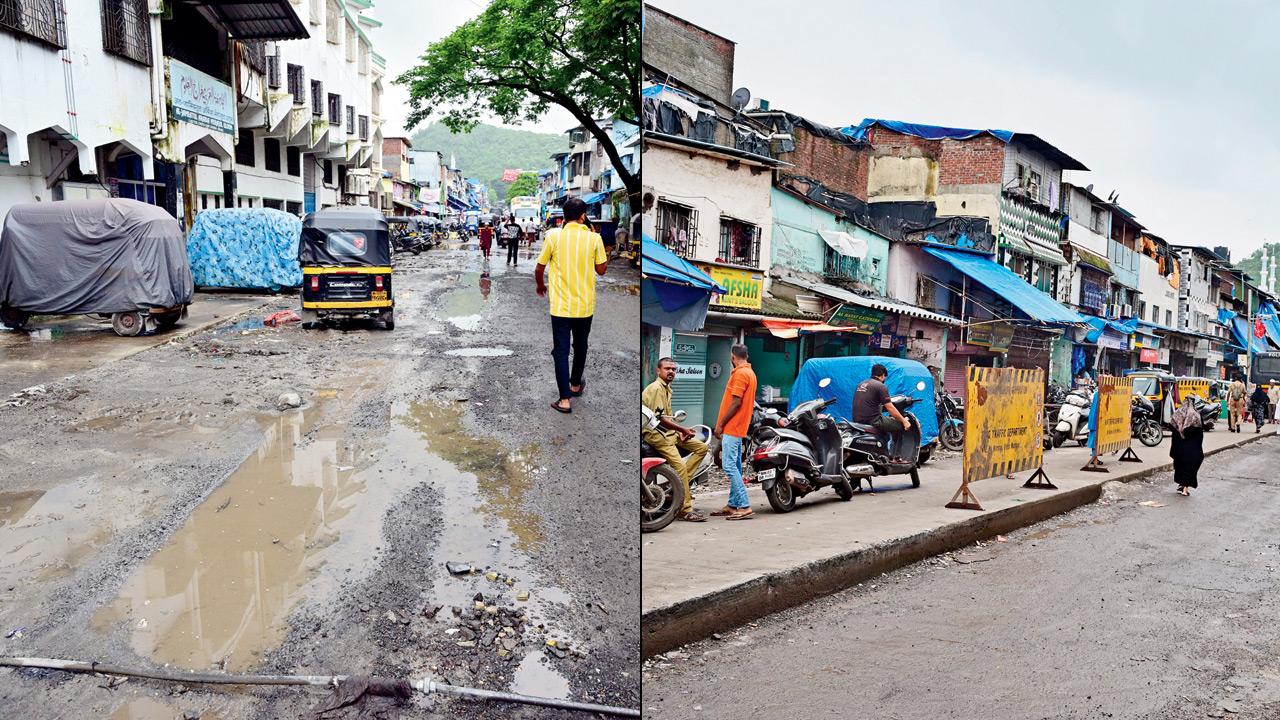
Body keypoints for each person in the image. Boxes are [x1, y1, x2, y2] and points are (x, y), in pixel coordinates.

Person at [536, 197, 607, 414]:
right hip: (584, 306)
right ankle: (575, 384)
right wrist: (592, 234)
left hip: (560, 307)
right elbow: (602, 270)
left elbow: (539, 268)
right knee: (581, 346)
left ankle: (565, 400)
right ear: (583, 216)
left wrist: (540, 286)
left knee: (561, 350)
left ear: (564, 217)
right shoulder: (594, 238)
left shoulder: (553, 236)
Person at [643, 357, 709, 522]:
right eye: (667, 369)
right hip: (656, 435)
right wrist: (681, 429)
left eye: (673, 369)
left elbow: (667, 417)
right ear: (658, 371)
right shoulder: (656, 388)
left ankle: (677, 485)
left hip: (667, 432)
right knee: (679, 467)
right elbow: (659, 419)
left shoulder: (666, 388)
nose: (671, 371)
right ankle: (685, 509)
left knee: (701, 448)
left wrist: (678, 432)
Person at [712, 345, 757, 521]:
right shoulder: (750, 373)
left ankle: (744, 505)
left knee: (729, 466)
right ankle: (732, 504)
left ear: (733, 357)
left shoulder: (740, 374)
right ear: (747, 355)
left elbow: (736, 402)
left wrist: (720, 424)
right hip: (739, 427)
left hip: (733, 427)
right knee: (736, 466)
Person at [852, 363, 912, 463]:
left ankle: (885, 451)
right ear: (883, 375)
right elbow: (890, 408)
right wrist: (904, 421)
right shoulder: (880, 386)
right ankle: (895, 458)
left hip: (857, 420)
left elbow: (870, 403)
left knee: (889, 422)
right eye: (885, 377)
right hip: (873, 420)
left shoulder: (861, 384)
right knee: (900, 425)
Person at [1170, 395, 1204, 496]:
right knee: (1190, 467)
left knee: (1180, 466)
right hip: (1191, 449)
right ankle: (1185, 489)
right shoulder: (1195, 415)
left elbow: (1171, 427)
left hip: (1179, 449)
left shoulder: (1178, 413)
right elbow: (1199, 432)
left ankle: (1181, 484)